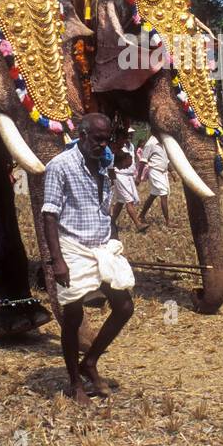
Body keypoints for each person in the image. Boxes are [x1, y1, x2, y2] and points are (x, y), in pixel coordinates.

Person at [42, 112, 136, 404]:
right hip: (72, 247)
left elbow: (103, 205)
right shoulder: (60, 166)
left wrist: (113, 237)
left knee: (124, 306)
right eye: (97, 139)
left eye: (106, 139)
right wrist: (57, 261)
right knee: (73, 316)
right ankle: (74, 382)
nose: (103, 145)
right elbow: (48, 214)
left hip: (101, 246)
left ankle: (90, 361)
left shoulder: (104, 161)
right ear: (81, 136)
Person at [110, 127, 147, 233]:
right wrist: (112, 178)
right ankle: (138, 224)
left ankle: (112, 222)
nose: (130, 136)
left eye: (131, 134)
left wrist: (136, 176)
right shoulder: (116, 147)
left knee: (121, 201)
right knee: (129, 200)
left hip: (129, 175)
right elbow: (111, 164)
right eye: (127, 134)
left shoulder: (130, 146)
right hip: (120, 175)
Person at [137, 132, 171, 225]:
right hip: (155, 172)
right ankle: (168, 221)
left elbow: (165, 159)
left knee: (153, 195)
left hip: (162, 173)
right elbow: (143, 161)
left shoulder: (162, 142)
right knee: (163, 194)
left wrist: (172, 172)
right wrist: (138, 177)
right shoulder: (150, 144)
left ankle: (141, 216)